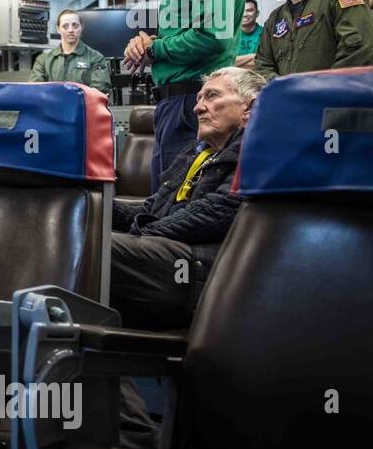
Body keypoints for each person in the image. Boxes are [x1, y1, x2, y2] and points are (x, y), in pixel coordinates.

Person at [109, 66, 265, 333]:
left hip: (201, 268)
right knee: (79, 230)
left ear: (249, 107)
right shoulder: (197, 152)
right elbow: (151, 208)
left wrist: (143, 232)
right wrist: (93, 207)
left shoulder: (259, 148)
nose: (198, 108)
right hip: (169, 253)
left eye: (212, 96)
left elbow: (218, 211)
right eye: (199, 98)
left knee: (94, 247)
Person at [124, 0, 245, 192]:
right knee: (163, 202)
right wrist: (150, 43)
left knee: (177, 204)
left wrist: (153, 49)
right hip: (175, 102)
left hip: (192, 102)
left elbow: (212, 36)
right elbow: (187, 32)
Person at [29, 9, 113, 93]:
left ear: (81, 27)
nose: (70, 30)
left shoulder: (96, 58)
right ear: (58, 29)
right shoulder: (43, 60)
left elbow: (99, 92)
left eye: (75, 26)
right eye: (65, 26)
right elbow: (35, 91)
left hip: (82, 102)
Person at [234, 0, 262, 68]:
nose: (244, 14)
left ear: (257, 13)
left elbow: (265, 63)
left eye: (249, 10)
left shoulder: (266, 34)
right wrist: (253, 56)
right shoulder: (230, 36)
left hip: (259, 75)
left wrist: (238, 62)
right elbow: (226, 62)